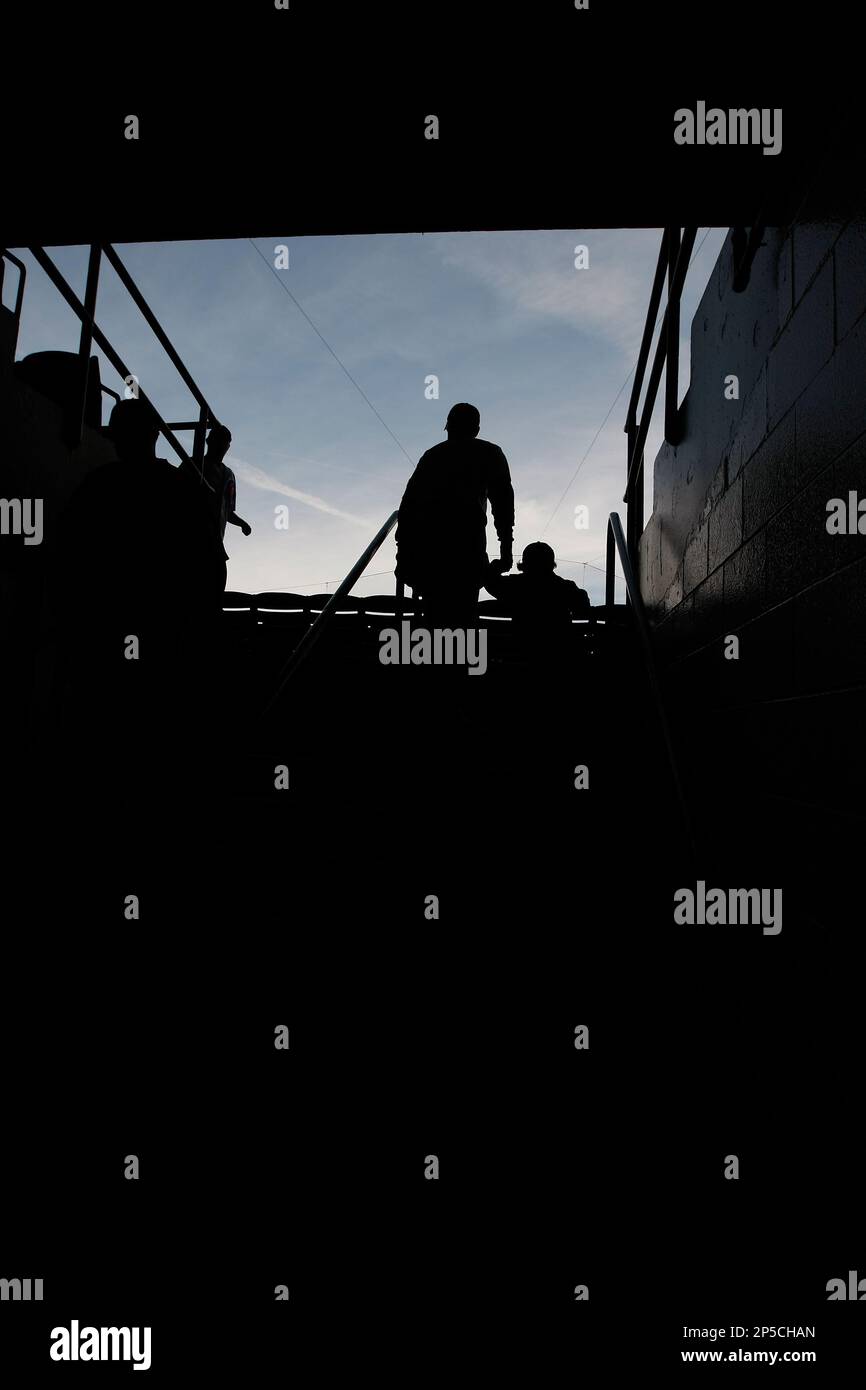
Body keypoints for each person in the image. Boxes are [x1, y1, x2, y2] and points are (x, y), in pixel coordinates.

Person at [395, 403, 514, 627]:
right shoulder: (489, 453)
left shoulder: (433, 456)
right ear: (476, 429)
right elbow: (503, 505)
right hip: (467, 549)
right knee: (462, 615)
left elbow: (408, 507)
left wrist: (403, 554)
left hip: (432, 552)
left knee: (434, 618)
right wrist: (506, 550)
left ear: (449, 427)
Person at [483, 540, 591, 664]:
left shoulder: (514, 586)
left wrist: (496, 565)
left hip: (521, 654)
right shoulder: (566, 588)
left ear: (524, 563)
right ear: (551, 564)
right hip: (561, 655)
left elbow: (490, 581)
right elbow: (583, 608)